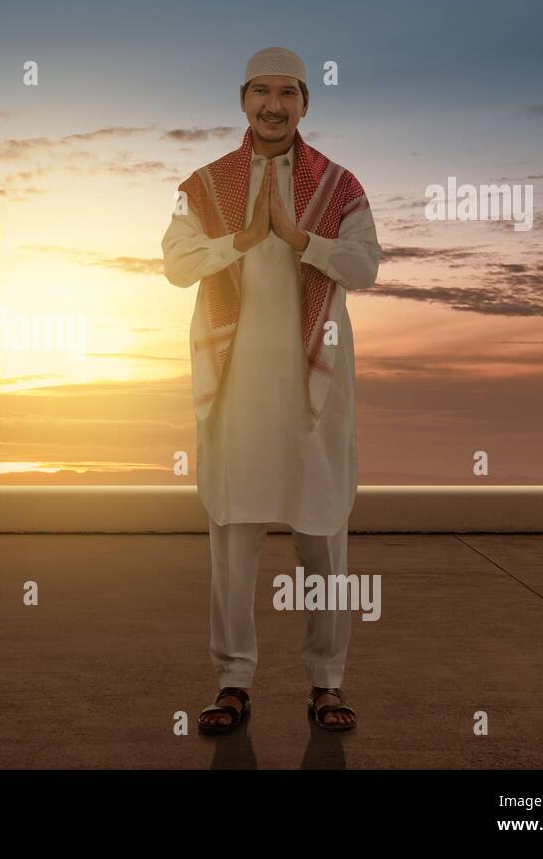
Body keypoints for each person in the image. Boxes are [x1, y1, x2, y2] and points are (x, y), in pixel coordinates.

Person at [161, 47, 381, 733]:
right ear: (242, 99)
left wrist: (299, 236)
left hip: (314, 393)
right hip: (236, 387)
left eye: (288, 92)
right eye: (262, 91)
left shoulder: (338, 186)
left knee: (323, 536)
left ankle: (327, 683)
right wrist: (244, 238)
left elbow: (365, 264)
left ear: (306, 104)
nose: (274, 105)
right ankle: (232, 683)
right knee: (233, 538)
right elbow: (175, 262)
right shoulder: (203, 185)